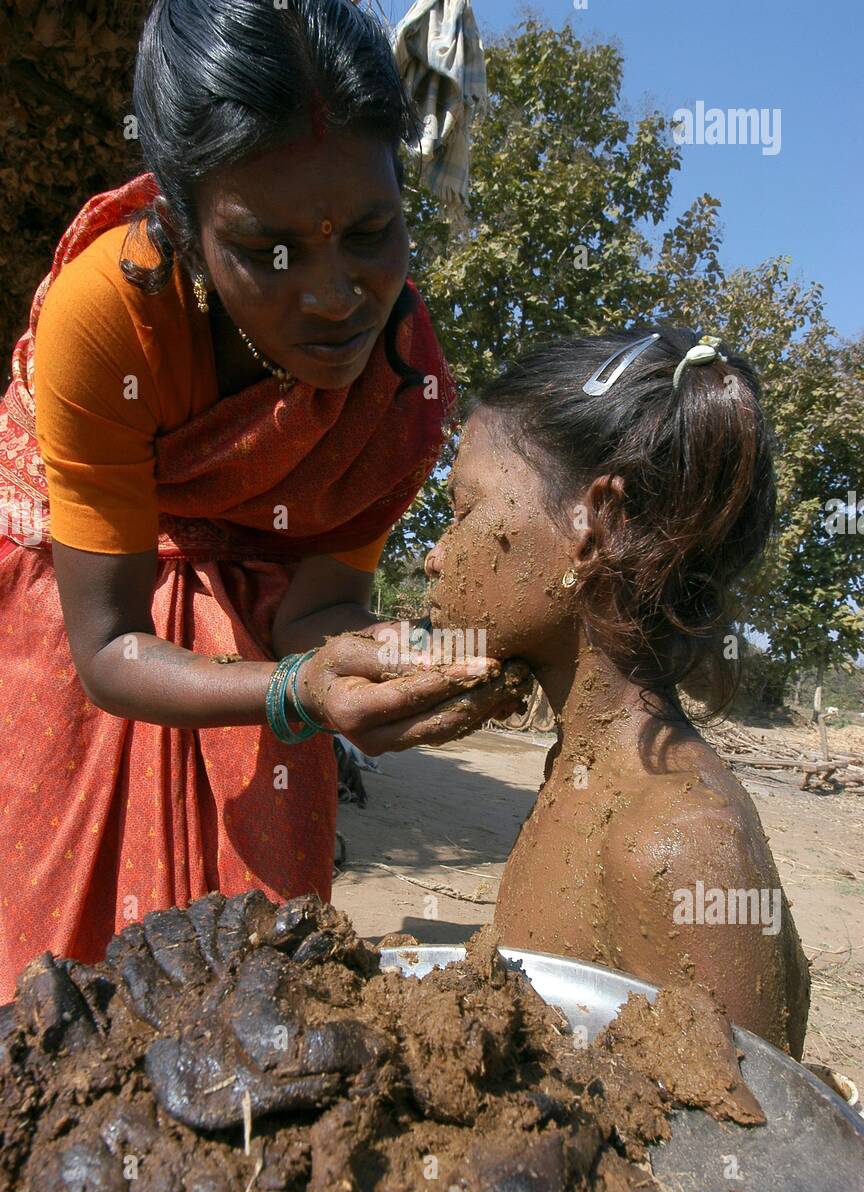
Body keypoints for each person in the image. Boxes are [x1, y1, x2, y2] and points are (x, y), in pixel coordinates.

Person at [0, 0, 529, 1001]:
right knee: (58, 986)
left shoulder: (400, 394)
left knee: (266, 991)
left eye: (373, 233)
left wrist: (391, 662)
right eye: (267, 251)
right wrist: (295, 692)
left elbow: (313, 614)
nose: (334, 294)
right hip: (68, 620)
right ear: (185, 227)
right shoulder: (110, 319)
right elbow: (108, 646)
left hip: (247, 654)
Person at [424, 328, 810, 1055]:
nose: (434, 553)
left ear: (596, 524)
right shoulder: (583, 774)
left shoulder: (679, 845)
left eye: (463, 507)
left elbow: (750, 1152)